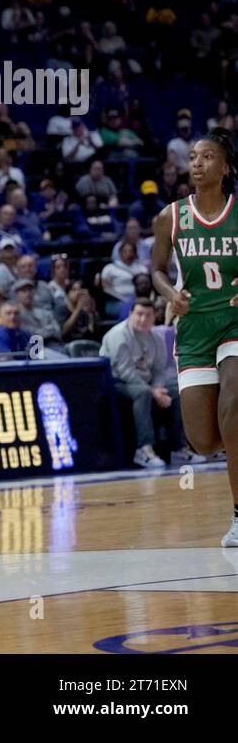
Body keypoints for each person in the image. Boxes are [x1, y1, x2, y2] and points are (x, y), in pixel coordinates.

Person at [150, 129, 238, 544]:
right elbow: (156, 269)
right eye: (192, 157)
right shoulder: (171, 216)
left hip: (234, 321)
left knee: (234, 404)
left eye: (206, 157)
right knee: (203, 441)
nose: (197, 163)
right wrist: (170, 294)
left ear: (225, 167)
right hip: (194, 329)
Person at [101, 298, 199, 470]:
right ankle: (143, 449)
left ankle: (179, 448)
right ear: (130, 314)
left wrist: (159, 389)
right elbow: (125, 371)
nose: (143, 319)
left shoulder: (156, 338)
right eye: (139, 314)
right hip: (116, 382)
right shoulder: (118, 335)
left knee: (177, 390)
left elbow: (159, 370)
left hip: (147, 384)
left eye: (148, 315)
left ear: (154, 317)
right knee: (142, 393)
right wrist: (153, 392)